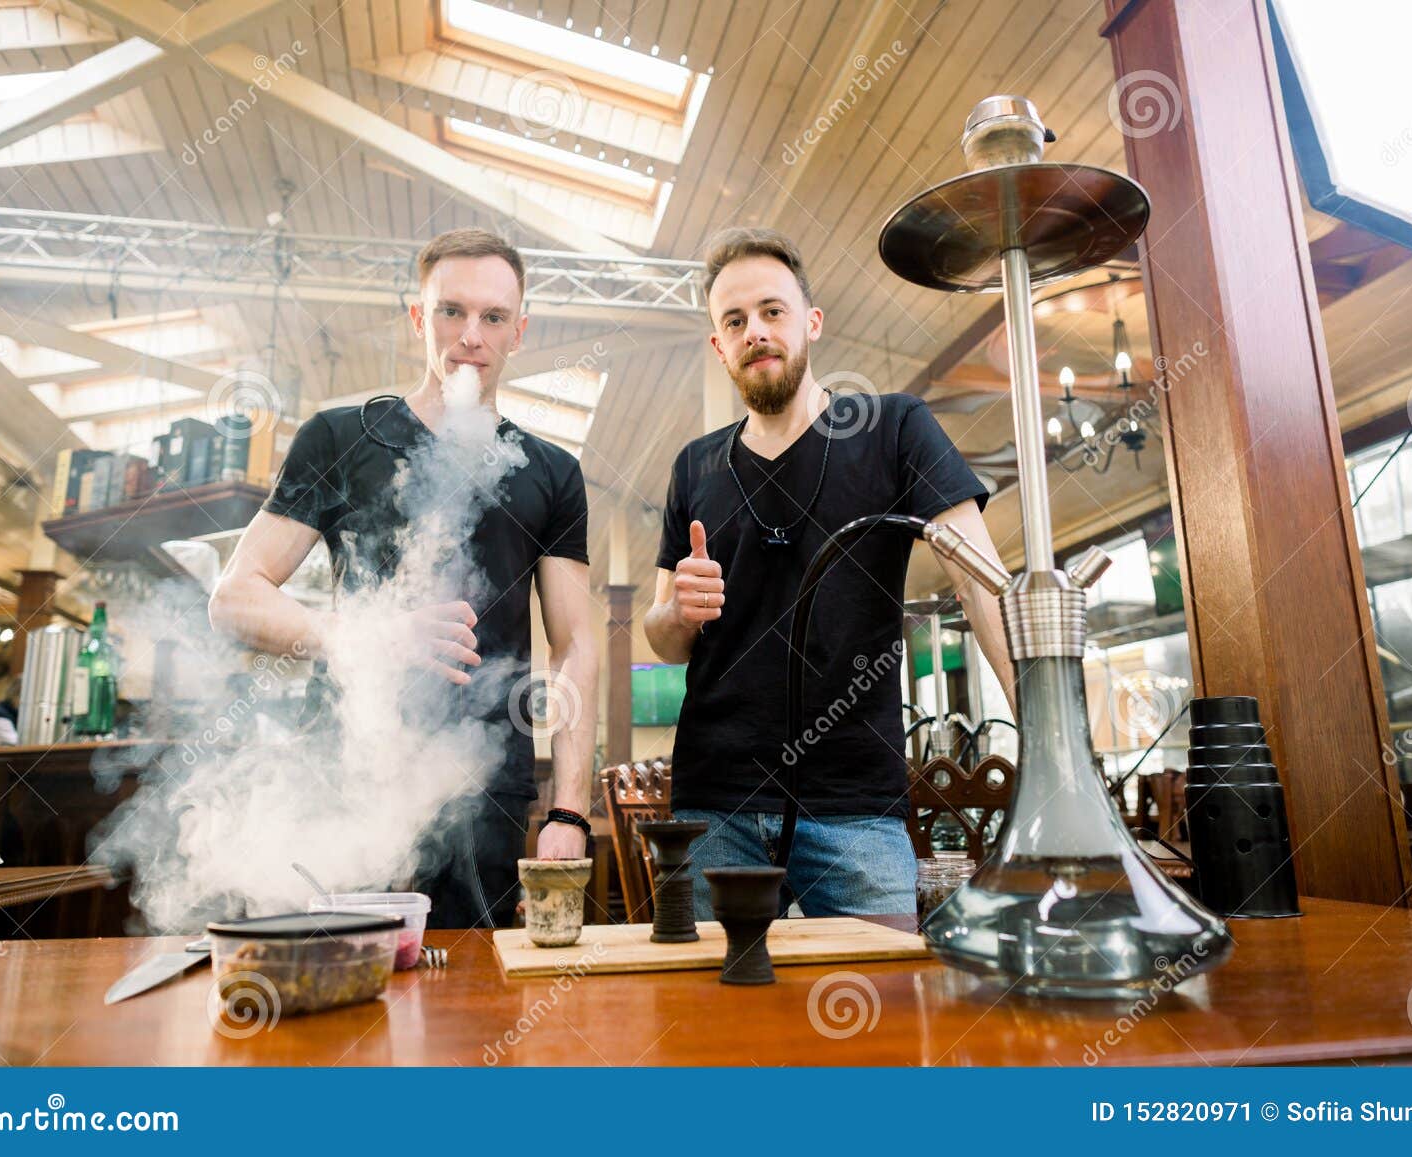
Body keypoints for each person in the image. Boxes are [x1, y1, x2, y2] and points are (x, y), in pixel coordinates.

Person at [209, 228, 598, 929]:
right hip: (345, 771)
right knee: (336, 984)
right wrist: (373, 635)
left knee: (470, 991)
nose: (471, 335)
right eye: (451, 311)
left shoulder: (552, 473)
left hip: (485, 785)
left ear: (519, 332)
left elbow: (574, 647)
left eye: (494, 316)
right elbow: (234, 598)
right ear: (419, 318)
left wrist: (570, 810)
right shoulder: (338, 438)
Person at [644, 227, 1014, 919]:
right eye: (735, 321)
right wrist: (676, 612)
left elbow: (982, 583)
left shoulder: (895, 428)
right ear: (719, 346)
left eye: (772, 310)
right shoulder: (695, 466)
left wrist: (1049, 742)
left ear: (811, 322)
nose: (755, 331)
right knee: (715, 993)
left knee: (882, 986)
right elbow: (665, 640)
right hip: (716, 801)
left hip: (855, 807)